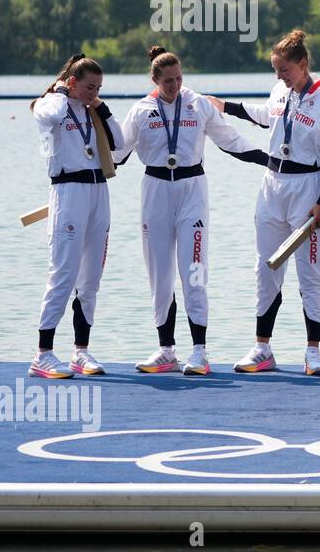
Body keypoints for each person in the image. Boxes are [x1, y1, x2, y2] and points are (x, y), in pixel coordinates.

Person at [120, 47, 269, 376]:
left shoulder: (198, 104)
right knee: (159, 274)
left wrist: (268, 159)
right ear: (155, 80)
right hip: (155, 190)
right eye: (168, 81)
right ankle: (165, 350)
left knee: (195, 271)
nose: (174, 86)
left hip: (192, 191)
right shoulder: (141, 110)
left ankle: (200, 351)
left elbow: (229, 140)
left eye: (179, 79)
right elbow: (117, 153)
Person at [209, 29, 320, 375]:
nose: (279, 77)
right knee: (265, 267)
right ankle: (262, 348)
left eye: (284, 70)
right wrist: (224, 107)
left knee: (311, 273)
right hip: (272, 186)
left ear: (303, 64)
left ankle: (313, 352)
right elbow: (265, 114)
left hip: (308, 187)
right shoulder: (280, 90)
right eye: (276, 70)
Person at [28, 55, 123, 378]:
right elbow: (51, 113)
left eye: (98, 87)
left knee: (91, 277)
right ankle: (43, 354)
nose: (93, 92)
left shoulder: (91, 110)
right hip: (68, 191)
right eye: (88, 87)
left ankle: (80, 351)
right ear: (72, 82)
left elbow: (120, 144)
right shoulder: (50, 105)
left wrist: (100, 106)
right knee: (63, 273)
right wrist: (60, 90)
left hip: (98, 192)